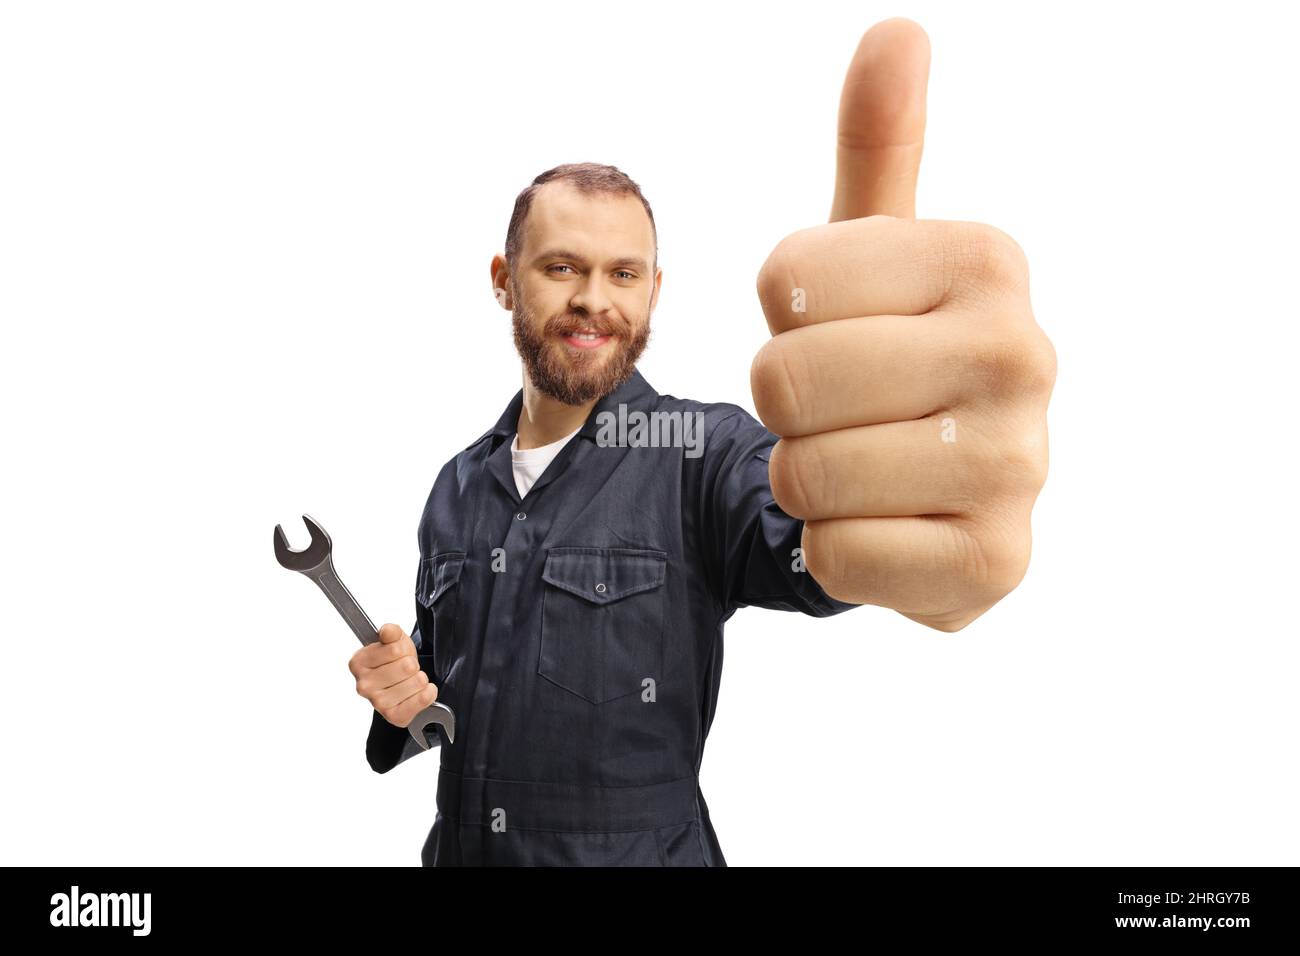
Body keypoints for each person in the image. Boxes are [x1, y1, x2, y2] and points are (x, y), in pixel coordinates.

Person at [347, 19, 1056, 865]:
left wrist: (907, 477)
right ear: (505, 281)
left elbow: (814, 535)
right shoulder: (454, 488)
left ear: (655, 292)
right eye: (562, 267)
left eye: (624, 273)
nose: (595, 300)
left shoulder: (703, 455)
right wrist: (402, 702)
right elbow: (445, 703)